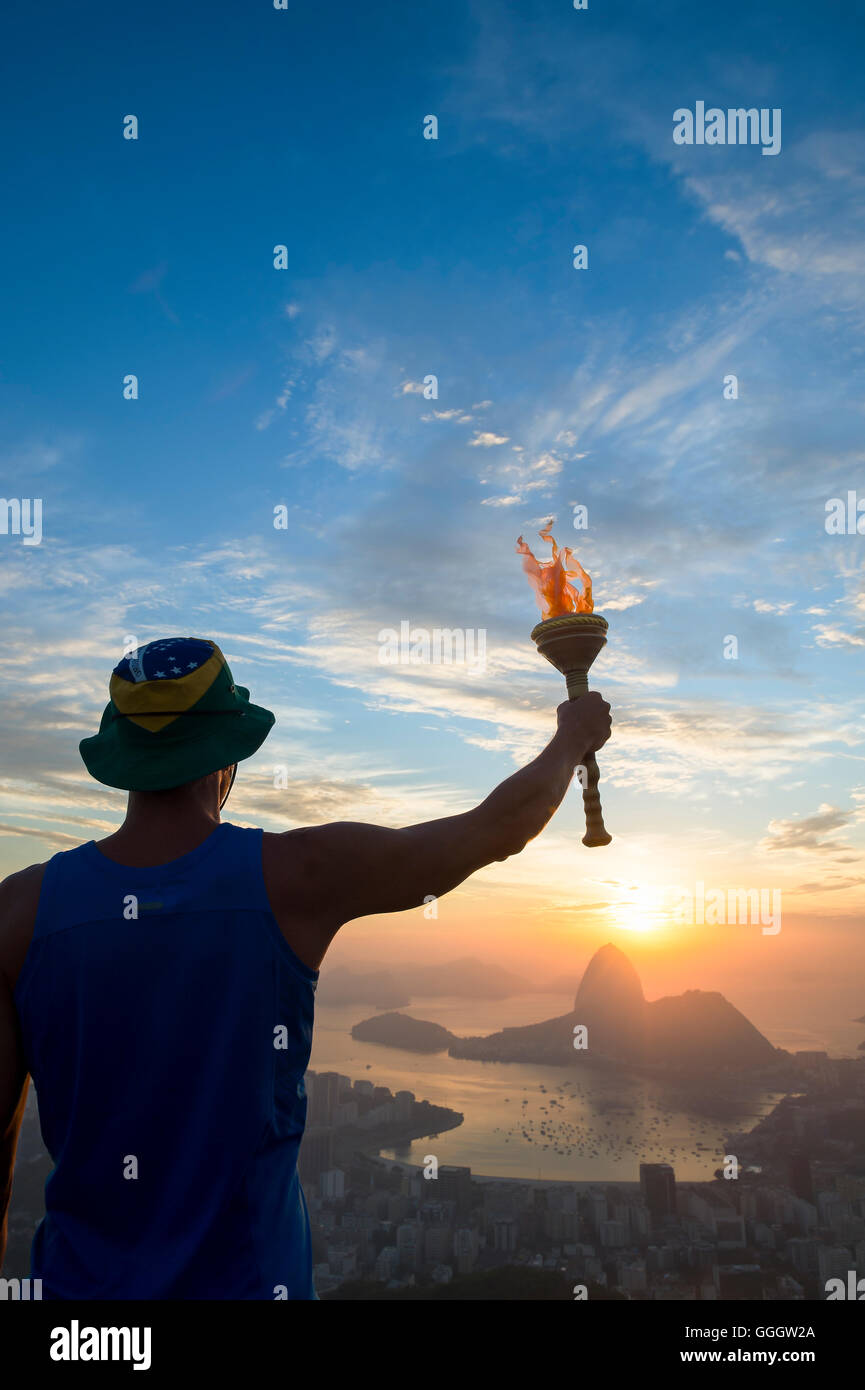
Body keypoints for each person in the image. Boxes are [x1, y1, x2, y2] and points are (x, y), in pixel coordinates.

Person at [0, 636, 611, 1299]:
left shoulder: (20, 910)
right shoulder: (294, 878)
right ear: (228, 756)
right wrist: (569, 741)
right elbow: (495, 829)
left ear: (121, 754)